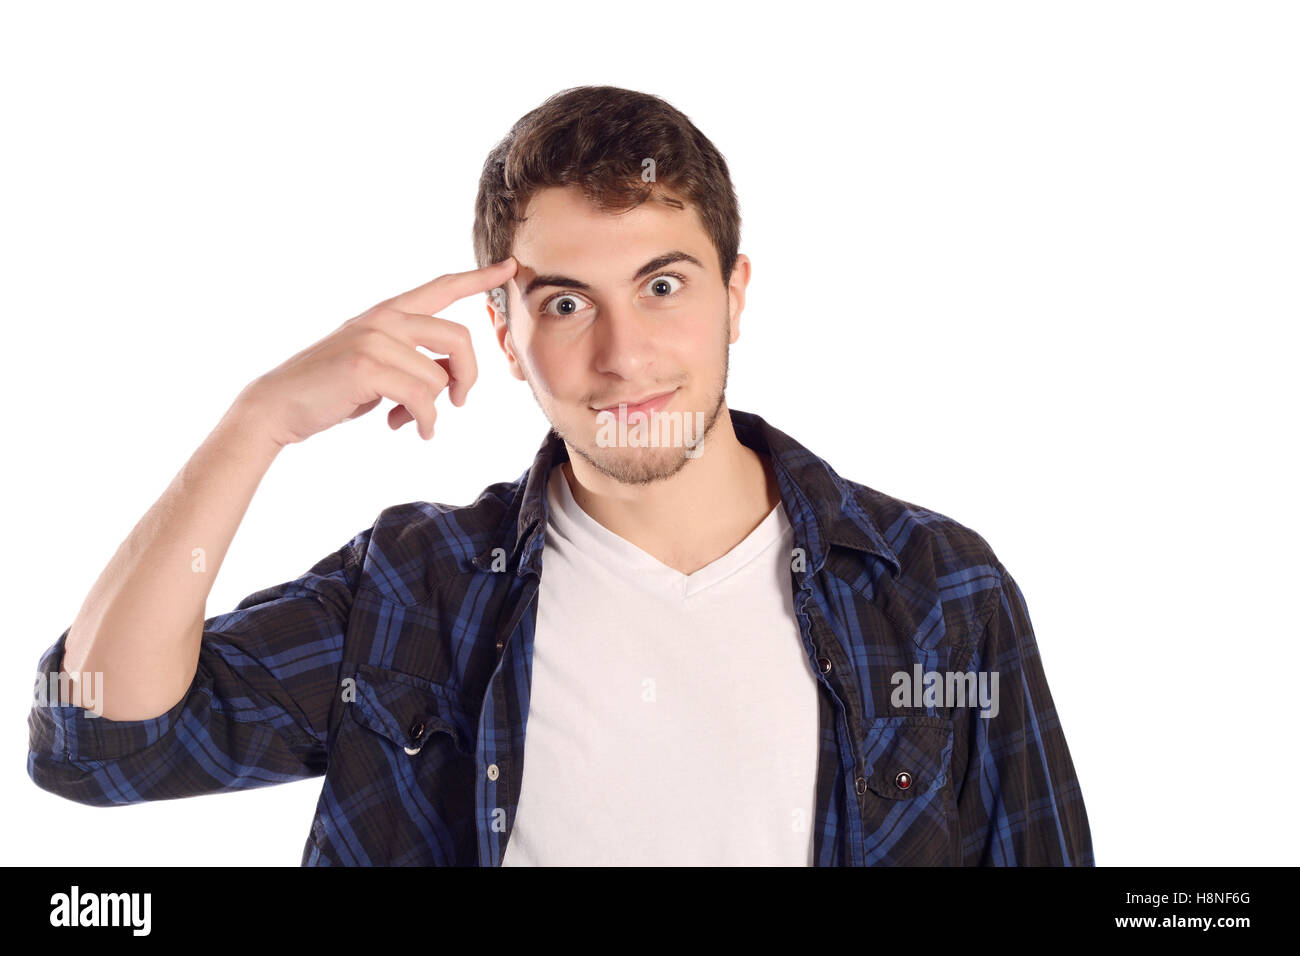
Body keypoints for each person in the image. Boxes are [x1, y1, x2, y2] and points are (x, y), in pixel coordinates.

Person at [26, 85, 1093, 866]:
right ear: (505, 330)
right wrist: (254, 423)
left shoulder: (935, 589)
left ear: (735, 294)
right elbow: (99, 740)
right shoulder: (416, 588)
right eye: (566, 302)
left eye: (663, 284)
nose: (623, 354)